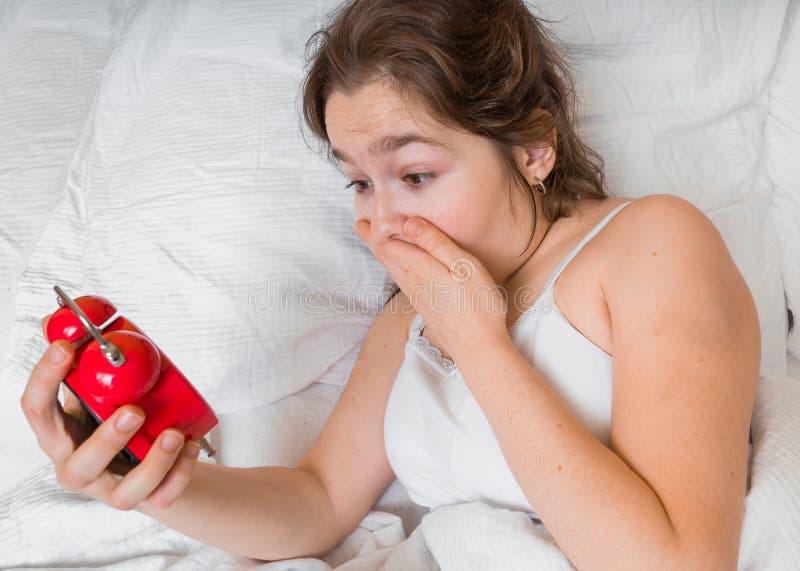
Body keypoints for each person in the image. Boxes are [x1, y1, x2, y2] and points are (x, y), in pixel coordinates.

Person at [20, 0, 760, 568]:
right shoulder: (408, 318)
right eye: (360, 184)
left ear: (534, 145)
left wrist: (479, 341)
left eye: (415, 174)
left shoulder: (651, 243)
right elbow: (316, 502)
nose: (383, 221)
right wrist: (160, 485)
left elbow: (681, 560)